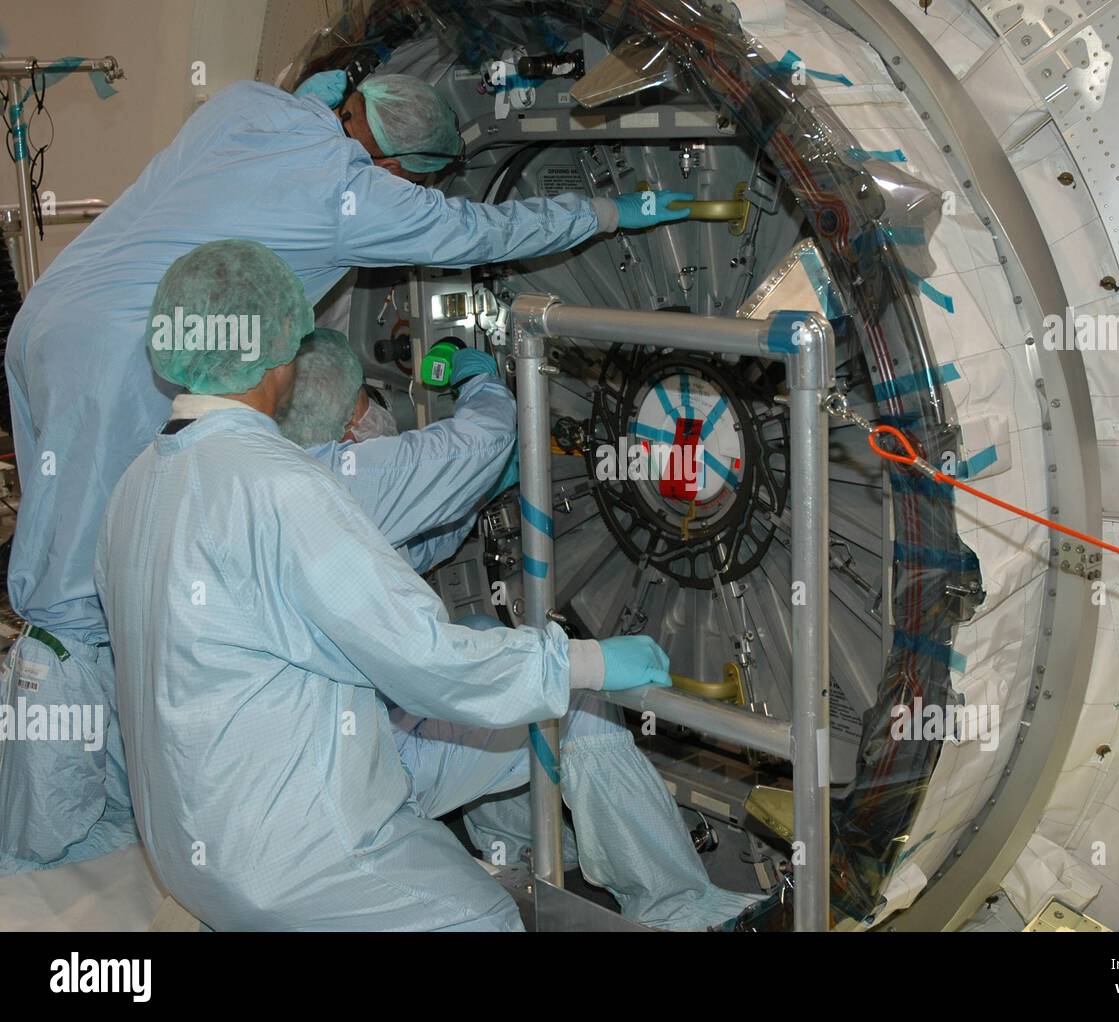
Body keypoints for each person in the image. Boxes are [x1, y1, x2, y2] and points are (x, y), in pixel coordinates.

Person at [1, 70, 690, 872]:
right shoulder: (351, 214)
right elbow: (479, 233)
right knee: (78, 611)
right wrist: (603, 217)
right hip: (112, 374)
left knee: (77, 564)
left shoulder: (248, 105)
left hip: (48, 318)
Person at [94, 239, 679, 931]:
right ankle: (674, 905)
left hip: (188, 847)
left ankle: (524, 855)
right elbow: (424, 658)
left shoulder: (137, 484)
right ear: (278, 353)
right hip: (296, 854)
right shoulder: (281, 486)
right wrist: (585, 662)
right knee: (485, 921)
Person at [276, 330, 760, 929]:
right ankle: (677, 907)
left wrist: (475, 499)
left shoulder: (282, 485)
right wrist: (483, 383)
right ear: (343, 430)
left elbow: (403, 542)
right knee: (575, 701)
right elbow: (476, 445)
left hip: (313, 766)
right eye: (361, 406)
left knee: (482, 625)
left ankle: (517, 842)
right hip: (364, 783)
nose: (373, 415)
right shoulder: (343, 478)